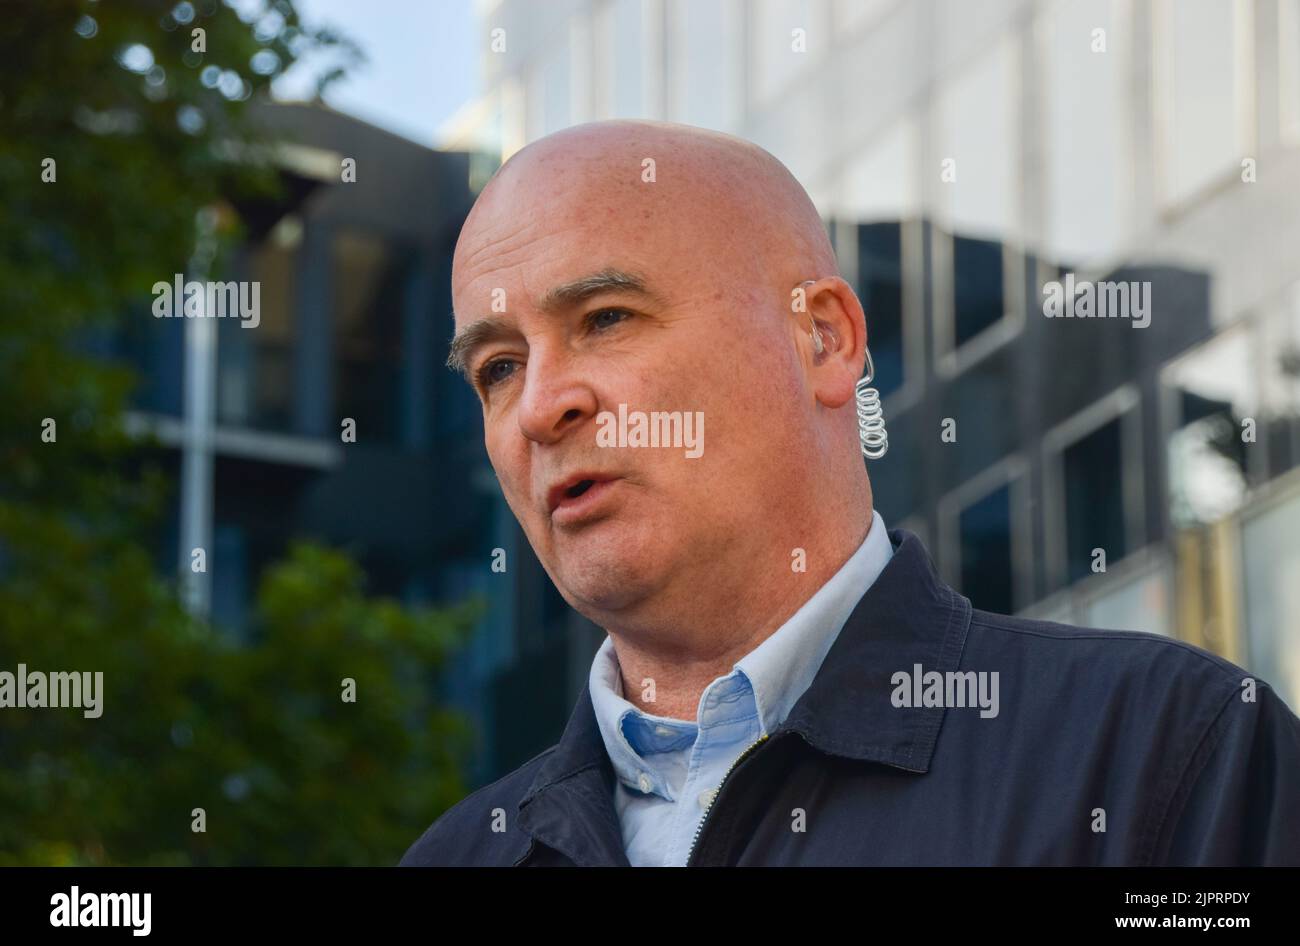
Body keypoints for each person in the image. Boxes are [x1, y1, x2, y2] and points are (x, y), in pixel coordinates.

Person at [401, 119, 1300, 866]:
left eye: (605, 320)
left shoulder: (1162, 756)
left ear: (824, 341)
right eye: (499, 367)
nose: (541, 407)